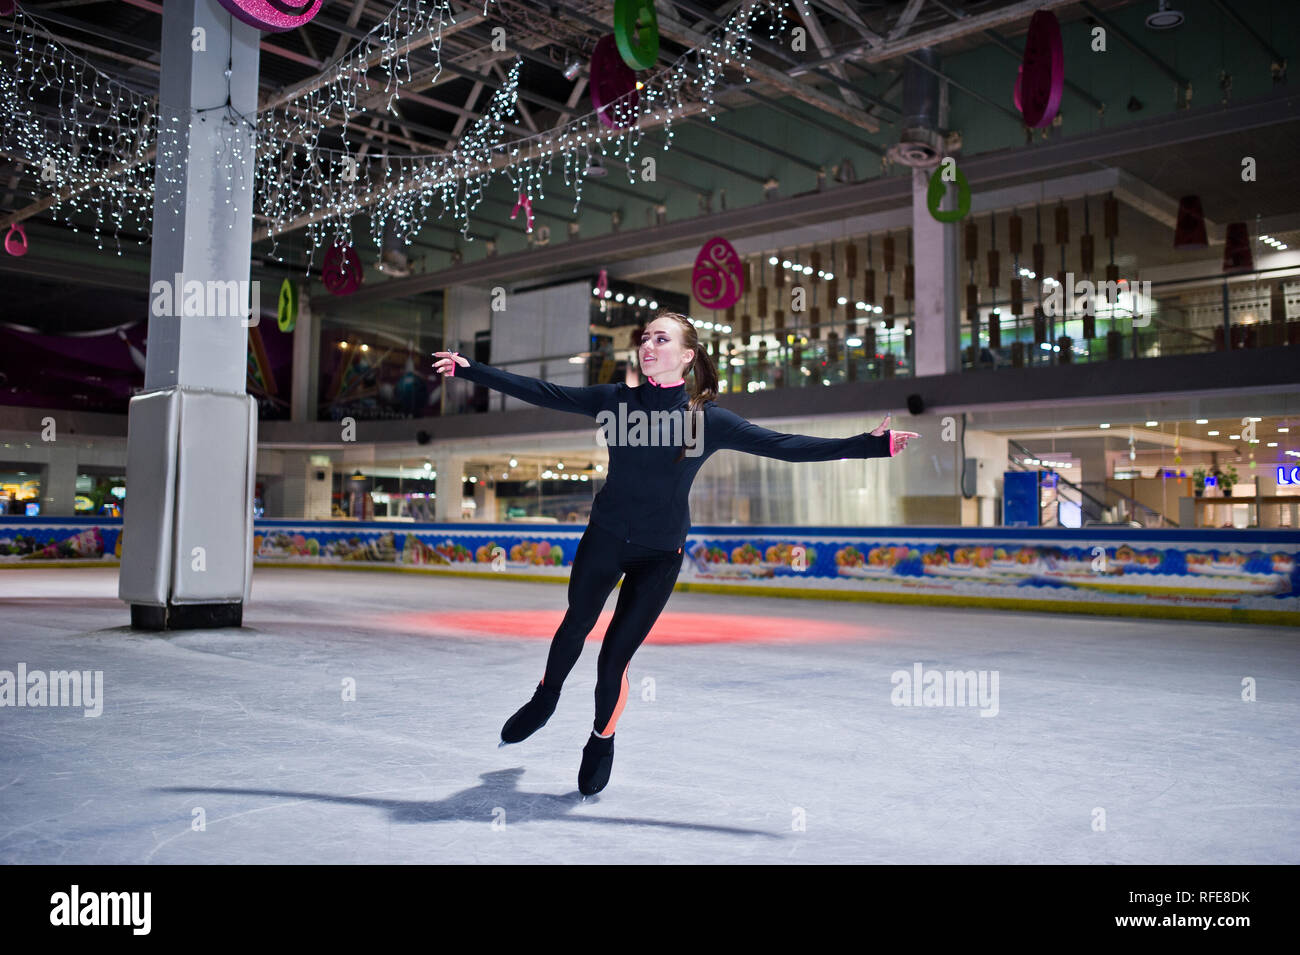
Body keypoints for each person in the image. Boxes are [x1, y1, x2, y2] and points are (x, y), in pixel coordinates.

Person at [433, 311, 917, 796]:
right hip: (603, 539)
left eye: (660, 339)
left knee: (612, 661)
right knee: (575, 624)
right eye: (644, 338)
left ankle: (601, 739)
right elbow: (543, 392)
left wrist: (867, 447)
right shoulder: (614, 400)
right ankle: (546, 697)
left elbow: (784, 445)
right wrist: (470, 368)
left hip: (658, 555)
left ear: (686, 356)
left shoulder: (707, 420)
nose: (648, 345)